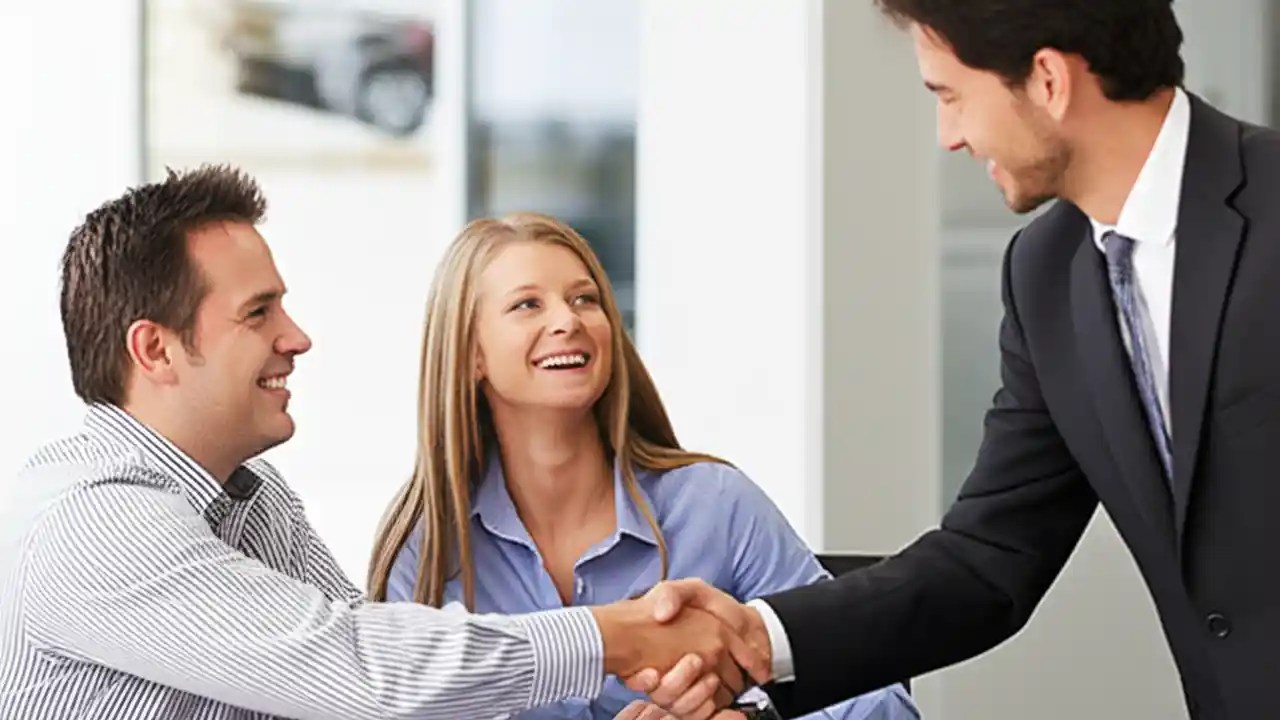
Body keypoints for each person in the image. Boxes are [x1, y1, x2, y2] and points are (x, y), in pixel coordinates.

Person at [637, 1, 1280, 718]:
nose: (949, 138)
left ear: (1047, 81)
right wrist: (759, 637)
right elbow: (990, 557)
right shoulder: (1047, 272)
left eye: (950, 96)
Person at [0, 166, 767, 720]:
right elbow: (360, 672)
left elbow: (389, 702)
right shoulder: (91, 522)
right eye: (258, 313)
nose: (295, 338)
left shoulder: (254, 502)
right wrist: (612, 637)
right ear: (155, 350)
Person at [365, 212, 919, 720]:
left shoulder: (715, 506)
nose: (568, 320)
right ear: (470, 356)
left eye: (585, 299)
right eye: (527, 304)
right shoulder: (430, 547)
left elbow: (881, 702)